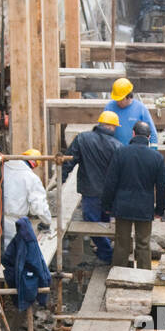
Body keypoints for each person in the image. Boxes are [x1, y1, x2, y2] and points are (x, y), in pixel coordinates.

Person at [101, 121, 165, 270]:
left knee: (121, 243)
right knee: (143, 243)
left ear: (133, 134)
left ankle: (118, 275)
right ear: (149, 137)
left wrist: (106, 205)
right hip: (144, 208)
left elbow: (110, 181)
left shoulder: (120, 153)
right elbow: (162, 187)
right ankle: (144, 278)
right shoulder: (157, 158)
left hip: (122, 206)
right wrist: (160, 210)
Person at [63, 111, 122, 264]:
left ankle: (106, 253)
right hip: (109, 193)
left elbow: (68, 161)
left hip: (89, 191)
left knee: (91, 223)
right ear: (111, 127)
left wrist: (61, 179)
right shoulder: (117, 146)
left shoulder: (82, 139)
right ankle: (108, 253)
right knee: (104, 221)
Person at [0, 148, 52, 254]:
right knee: (12, 254)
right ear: (34, 165)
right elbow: (39, 206)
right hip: (12, 221)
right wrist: (46, 221)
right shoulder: (30, 177)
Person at [103, 78, 159, 146]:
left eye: (120, 99)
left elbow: (152, 132)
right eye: (116, 99)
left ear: (129, 96)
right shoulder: (109, 107)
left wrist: (153, 149)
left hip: (134, 152)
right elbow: (101, 130)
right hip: (114, 151)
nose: (118, 102)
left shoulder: (140, 108)